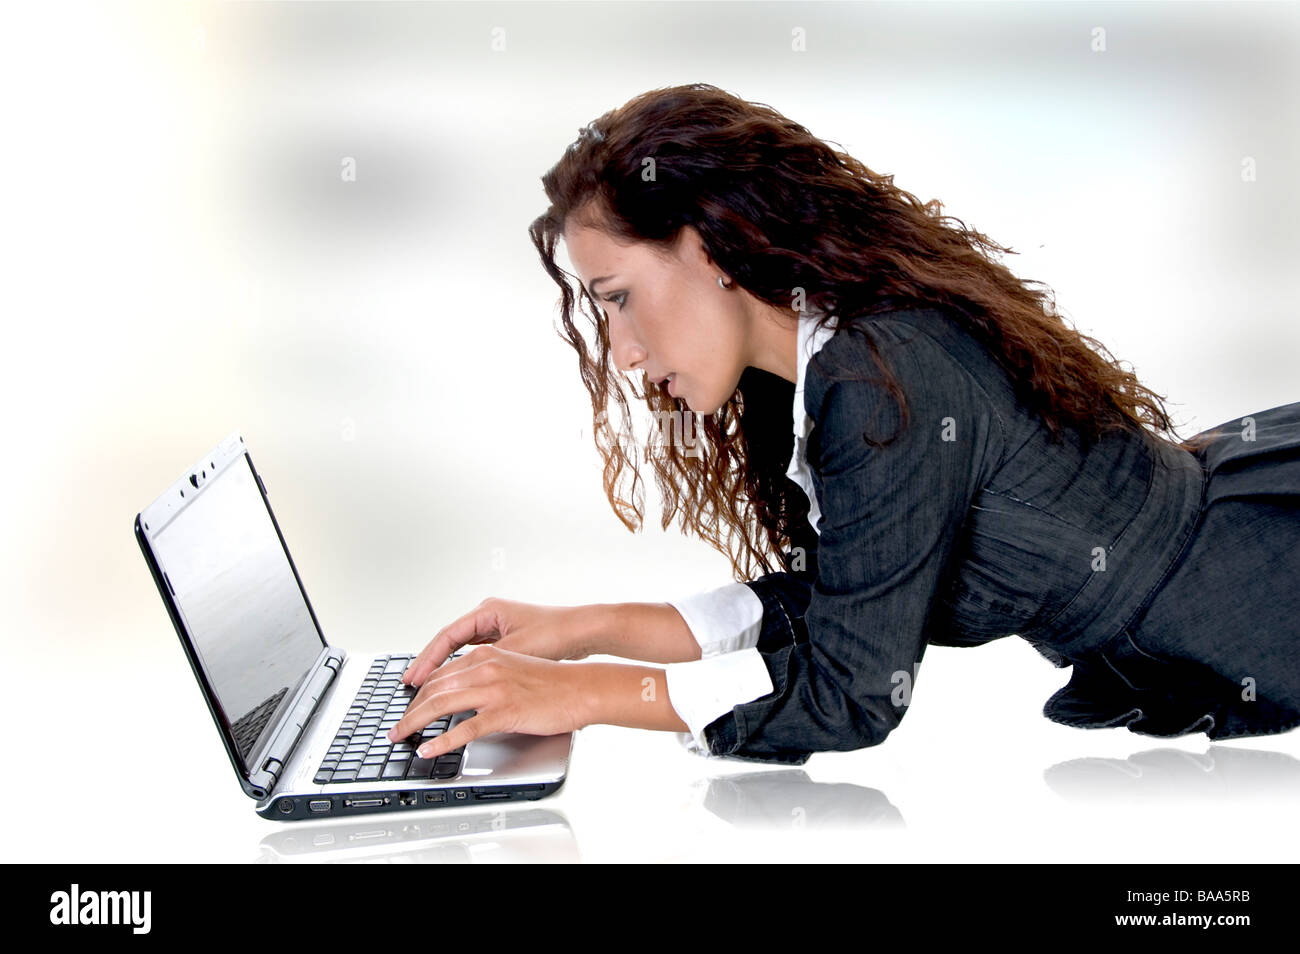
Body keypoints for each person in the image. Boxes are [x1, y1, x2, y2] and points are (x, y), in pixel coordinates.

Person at [389, 83, 1300, 765]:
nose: (622, 351)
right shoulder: (837, 356)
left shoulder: (879, 378)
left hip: (1254, 592)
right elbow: (844, 605)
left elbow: (849, 691)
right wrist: (584, 627)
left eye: (620, 298)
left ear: (707, 249)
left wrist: (578, 695)